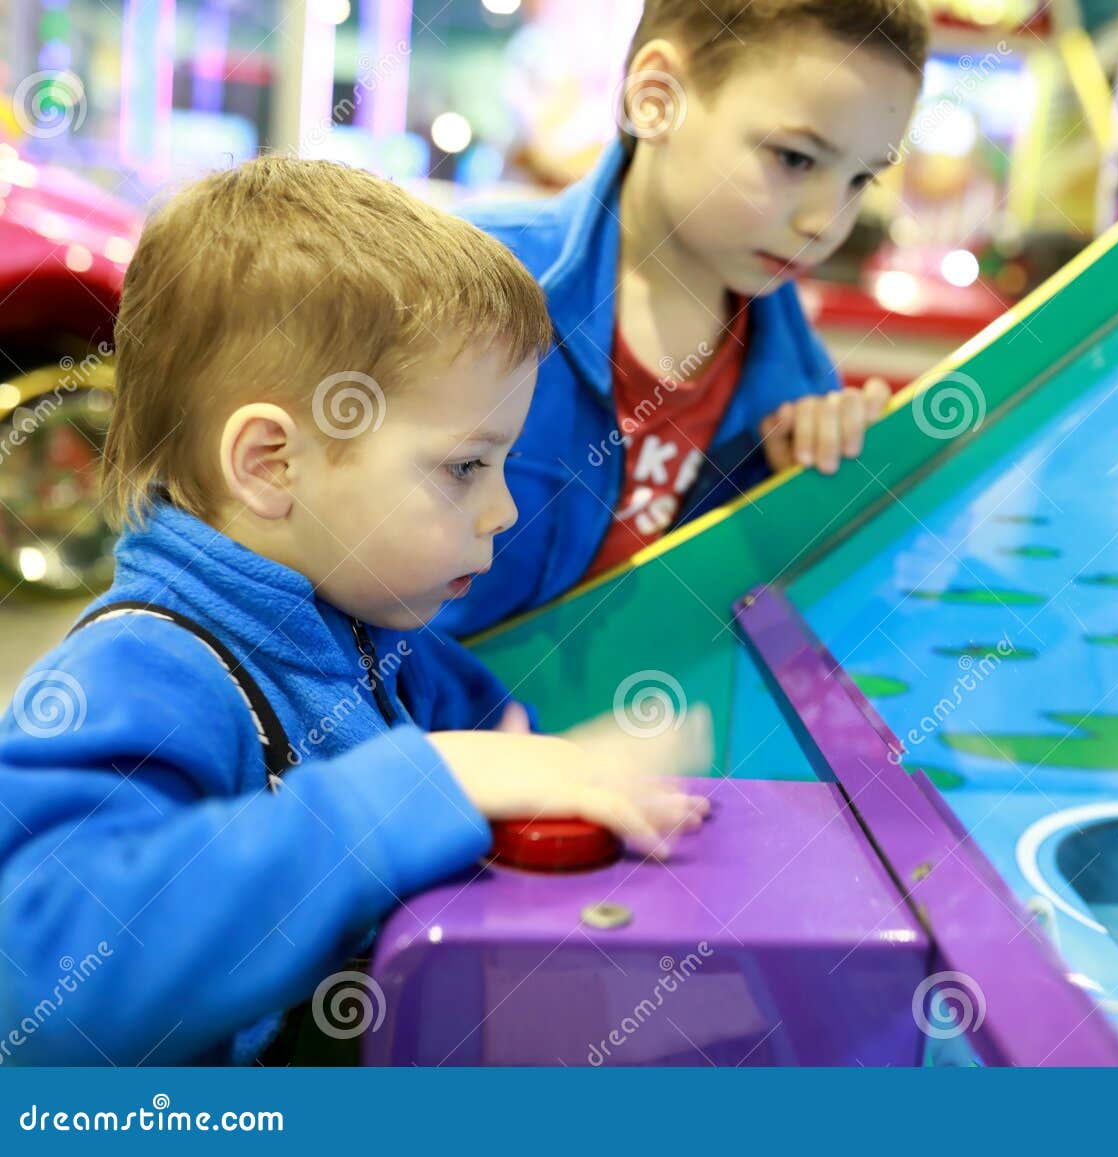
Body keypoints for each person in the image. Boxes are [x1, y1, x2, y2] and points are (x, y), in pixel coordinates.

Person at [0, 157, 708, 1066]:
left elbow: (505, 746)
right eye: (464, 467)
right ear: (270, 465)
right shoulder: (143, 673)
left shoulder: (391, 646)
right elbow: (40, 975)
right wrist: (422, 789)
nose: (503, 511)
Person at [435, 0, 930, 635]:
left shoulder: (803, 393)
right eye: (796, 159)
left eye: (861, 179)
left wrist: (813, 498)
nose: (825, 222)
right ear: (656, 95)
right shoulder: (453, 286)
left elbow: (790, 647)